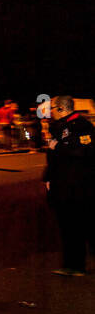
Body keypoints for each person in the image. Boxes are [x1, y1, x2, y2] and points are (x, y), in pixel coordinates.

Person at [43, 96, 94, 276]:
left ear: (62, 108)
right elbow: (53, 158)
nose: (50, 112)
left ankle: (78, 266)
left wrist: (59, 148)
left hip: (77, 186)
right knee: (66, 227)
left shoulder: (82, 126)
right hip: (61, 185)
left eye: (53, 108)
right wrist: (47, 178)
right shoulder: (58, 126)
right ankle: (70, 264)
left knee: (80, 225)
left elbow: (84, 152)